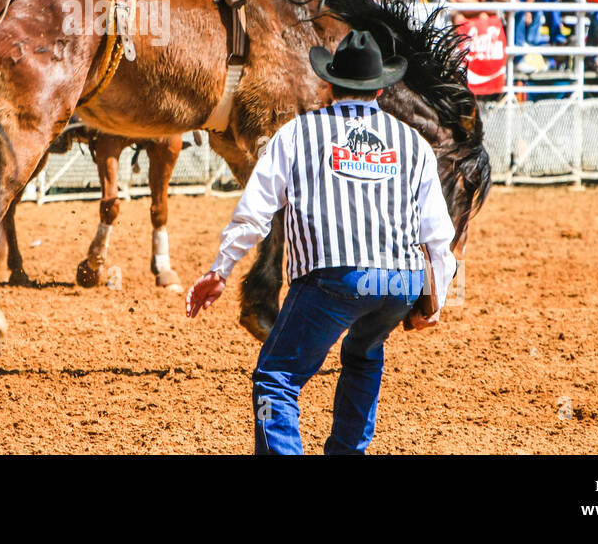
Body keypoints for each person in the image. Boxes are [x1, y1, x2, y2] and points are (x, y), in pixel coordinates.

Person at [186, 30, 457, 455]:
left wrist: (220, 269)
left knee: (276, 378)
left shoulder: (297, 134)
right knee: (364, 354)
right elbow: (439, 235)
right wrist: (436, 298)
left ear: (328, 85)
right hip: (399, 282)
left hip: (333, 275)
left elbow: (255, 211)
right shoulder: (414, 144)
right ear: (381, 89)